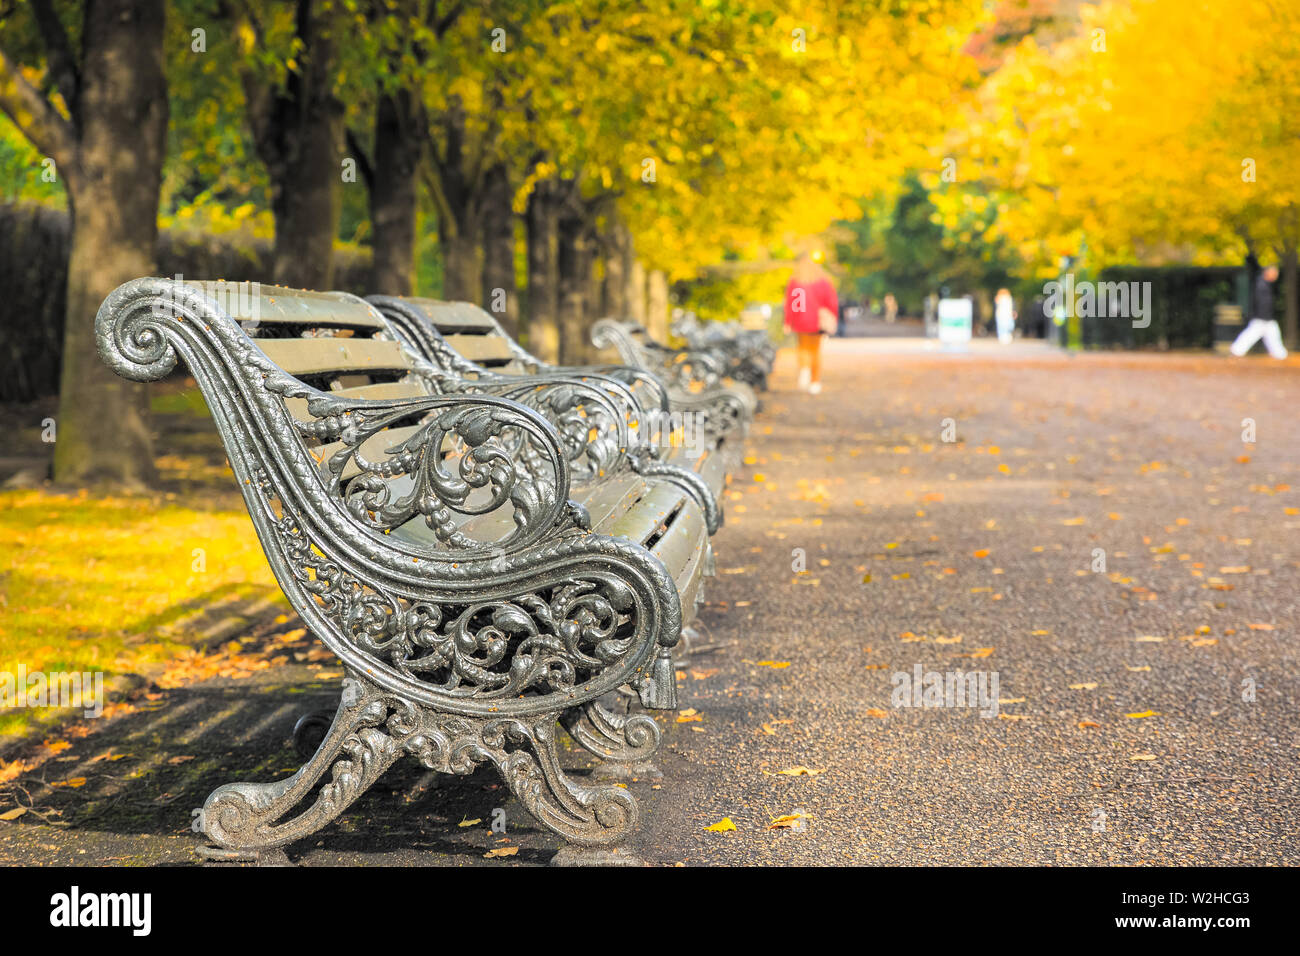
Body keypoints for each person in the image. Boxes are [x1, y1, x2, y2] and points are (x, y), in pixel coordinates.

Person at [783, 250, 839, 394]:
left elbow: (793, 304)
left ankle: (804, 370)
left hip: (801, 320)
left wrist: (788, 321)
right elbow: (831, 302)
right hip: (817, 322)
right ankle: (815, 382)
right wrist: (832, 317)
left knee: (803, 348)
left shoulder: (796, 282)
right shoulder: (823, 282)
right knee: (815, 351)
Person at [1230, 265, 1288, 359]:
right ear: (1267, 272)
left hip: (1265, 318)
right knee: (1252, 334)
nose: (1275, 276)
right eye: (1274, 273)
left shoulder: (1264, 284)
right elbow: (1261, 303)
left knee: (1271, 335)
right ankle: (1236, 351)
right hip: (1261, 317)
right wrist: (1262, 315)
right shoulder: (1261, 284)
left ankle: (1280, 354)